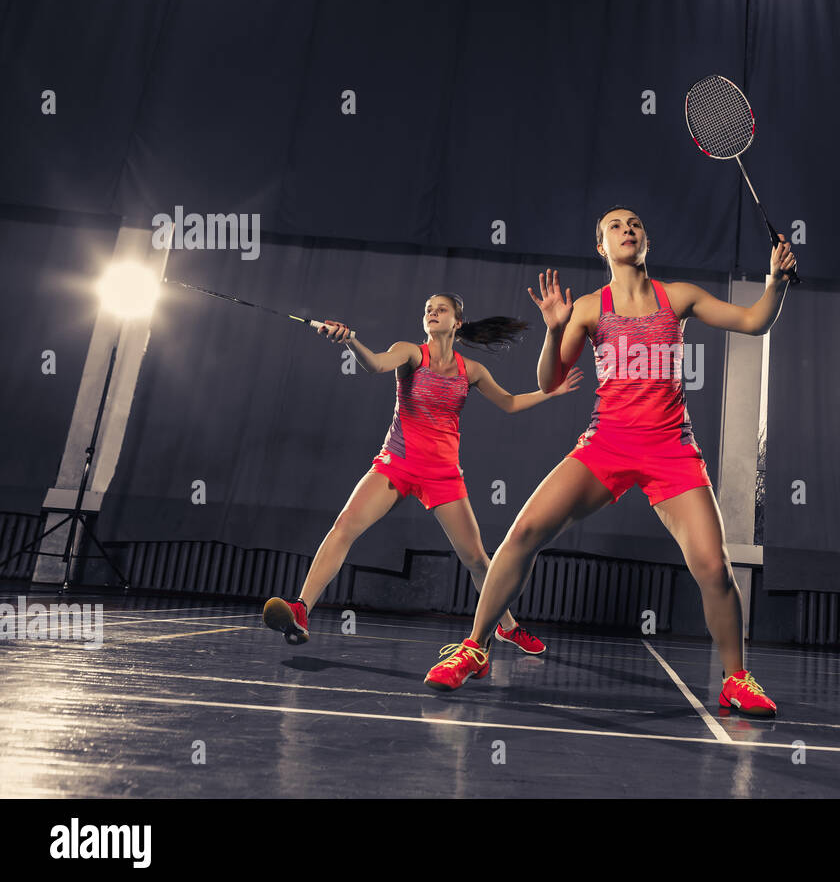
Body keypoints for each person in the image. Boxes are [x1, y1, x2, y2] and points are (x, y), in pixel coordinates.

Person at [424, 207, 796, 716]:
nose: (628, 230)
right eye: (616, 226)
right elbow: (549, 384)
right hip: (608, 444)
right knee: (524, 532)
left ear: (646, 241)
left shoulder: (678, 297)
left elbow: (754, 322)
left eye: (636, 224)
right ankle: (475, 648)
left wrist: (776, 281)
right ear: (602, 246)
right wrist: (556, 330)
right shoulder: (588, 308)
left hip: (671, 448)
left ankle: (736, 680)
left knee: (714, 567)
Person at [261, 293, 582, 655]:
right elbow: (376, 365)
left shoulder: (471, 371)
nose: (432, 313)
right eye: (428, 309)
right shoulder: (411, 353)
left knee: (477, 559)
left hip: (442, 474)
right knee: (345, 525)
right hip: (396, 462)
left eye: (441, 309)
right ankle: (302, 609)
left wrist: (549, 393)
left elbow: (509, 403)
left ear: (457, 322)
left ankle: (507, 627)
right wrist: (351, 340)